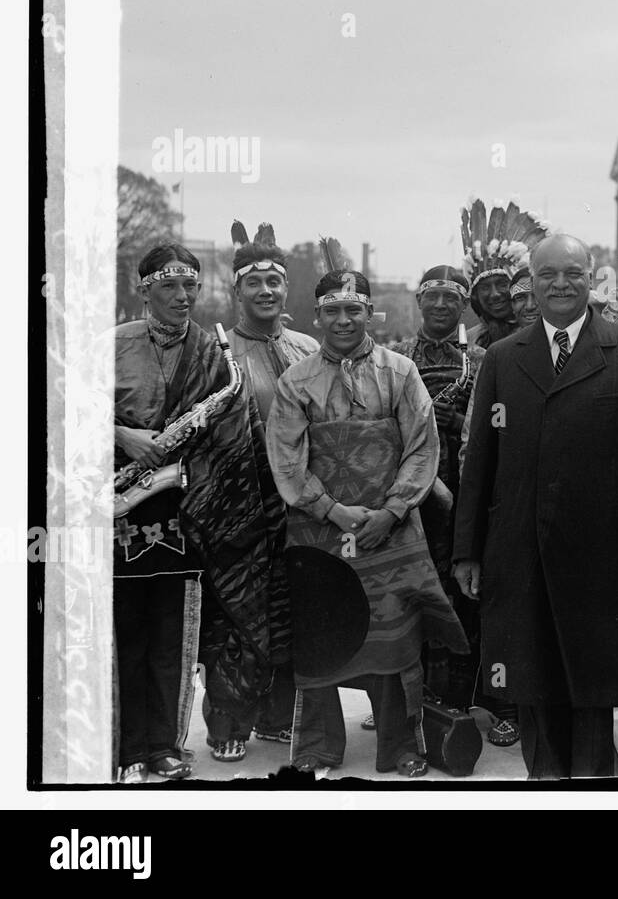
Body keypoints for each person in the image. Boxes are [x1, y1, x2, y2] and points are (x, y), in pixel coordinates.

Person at [453, 234, 618, 779]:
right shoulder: (505, 359)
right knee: (531, 681)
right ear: (531, 280)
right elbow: (479, 461)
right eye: (548, 274)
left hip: (602, 553)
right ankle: (545, 782)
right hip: (520, 551)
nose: (560, 284)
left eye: (572, 273)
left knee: (591, 687)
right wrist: (468, 551)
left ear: (591, 276)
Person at [267, 268, 469, 776]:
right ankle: (316, 747)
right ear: (316, 316)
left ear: (368, 313)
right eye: (331, 310)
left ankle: (399, 745)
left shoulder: (401, 372)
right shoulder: (296, 381)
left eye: (353, 310)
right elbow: (286, 459)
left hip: (391, 528)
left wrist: (393, 511)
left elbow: (423, 447)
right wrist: (331, 510)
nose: (342, 320)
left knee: (395, 634)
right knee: (320, 630)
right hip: (319, 529)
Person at [113, 244, 287, 782]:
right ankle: (122, 747)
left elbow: (232, 434)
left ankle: (164, 746)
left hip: (190, 508)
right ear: (142, 288)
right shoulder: (110, 345)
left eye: (191, 287)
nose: (184, 297)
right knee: (124, 632)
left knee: (175, 636)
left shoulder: (214, 352)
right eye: (170, 287)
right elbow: (56, 411)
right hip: (118, 508)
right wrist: (121, 434)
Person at [196, 222, 316, 763]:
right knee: (237, 612)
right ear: (235, 289)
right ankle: (228, 720)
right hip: (239, 502)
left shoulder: (307, 347)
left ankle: (276, 717)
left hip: (301, 501)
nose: (266, 291)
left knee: (291, 606)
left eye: (275, 282)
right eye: (255, 283)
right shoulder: (215, 350)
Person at [391, 265, 520, 747]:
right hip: (411, 498)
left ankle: (484, 703)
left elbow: (493, 431)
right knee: (413, 600)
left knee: (471, 599)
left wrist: (461, 421)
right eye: (434, 296)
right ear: (418, 301)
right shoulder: (396, 356)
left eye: (453, 297)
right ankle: (409, 701)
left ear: (465, 304)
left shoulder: (487, 359)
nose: (442, 305)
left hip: (469, 499)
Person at [461, 198, 550, 349]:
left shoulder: (546, 334)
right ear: (475, 296)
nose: (494, 294)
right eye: (484, 288)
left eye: (502, 284)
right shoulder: (468, 341)